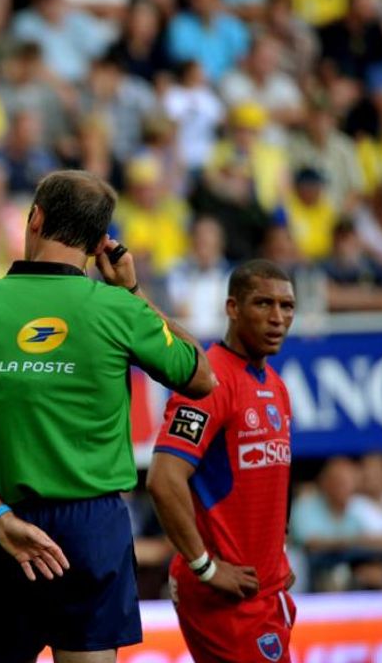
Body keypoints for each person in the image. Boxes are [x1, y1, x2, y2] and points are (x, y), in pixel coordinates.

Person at [0, 170, 215, 663]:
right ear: (102, 242)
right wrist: (134, 292)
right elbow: (202, 376)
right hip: (93, 526)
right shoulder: (120, 310)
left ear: (35, 219)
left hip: (3, 524)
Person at [147, 260, 298, 663]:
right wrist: (206, 567)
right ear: (232, 308)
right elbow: (163, 480)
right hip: (226, 598)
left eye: (287, 307)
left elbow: (266, 485)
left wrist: (275, 558)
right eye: (263, 304)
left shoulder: (276, 387)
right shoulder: (210, 382)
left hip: (264, 591)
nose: (277, 318)